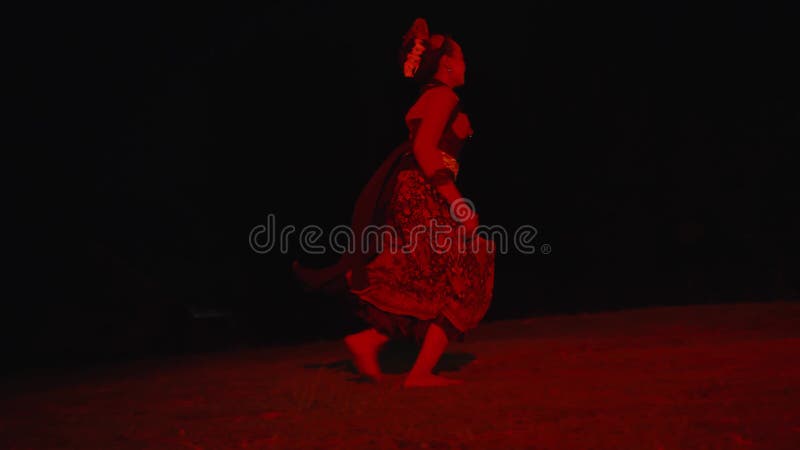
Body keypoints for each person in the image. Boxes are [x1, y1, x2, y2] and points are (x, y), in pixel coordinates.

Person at [293, 18, 495, 387]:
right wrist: (458, 203)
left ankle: (368, 343)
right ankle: (419, 373)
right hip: (424, 190)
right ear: (448, 64)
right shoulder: (444, 97)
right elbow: (425, 149)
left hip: (412, 191)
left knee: (427, 279)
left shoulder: (430, 97)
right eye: (462, 58)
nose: (466, 64)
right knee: (468, 266)